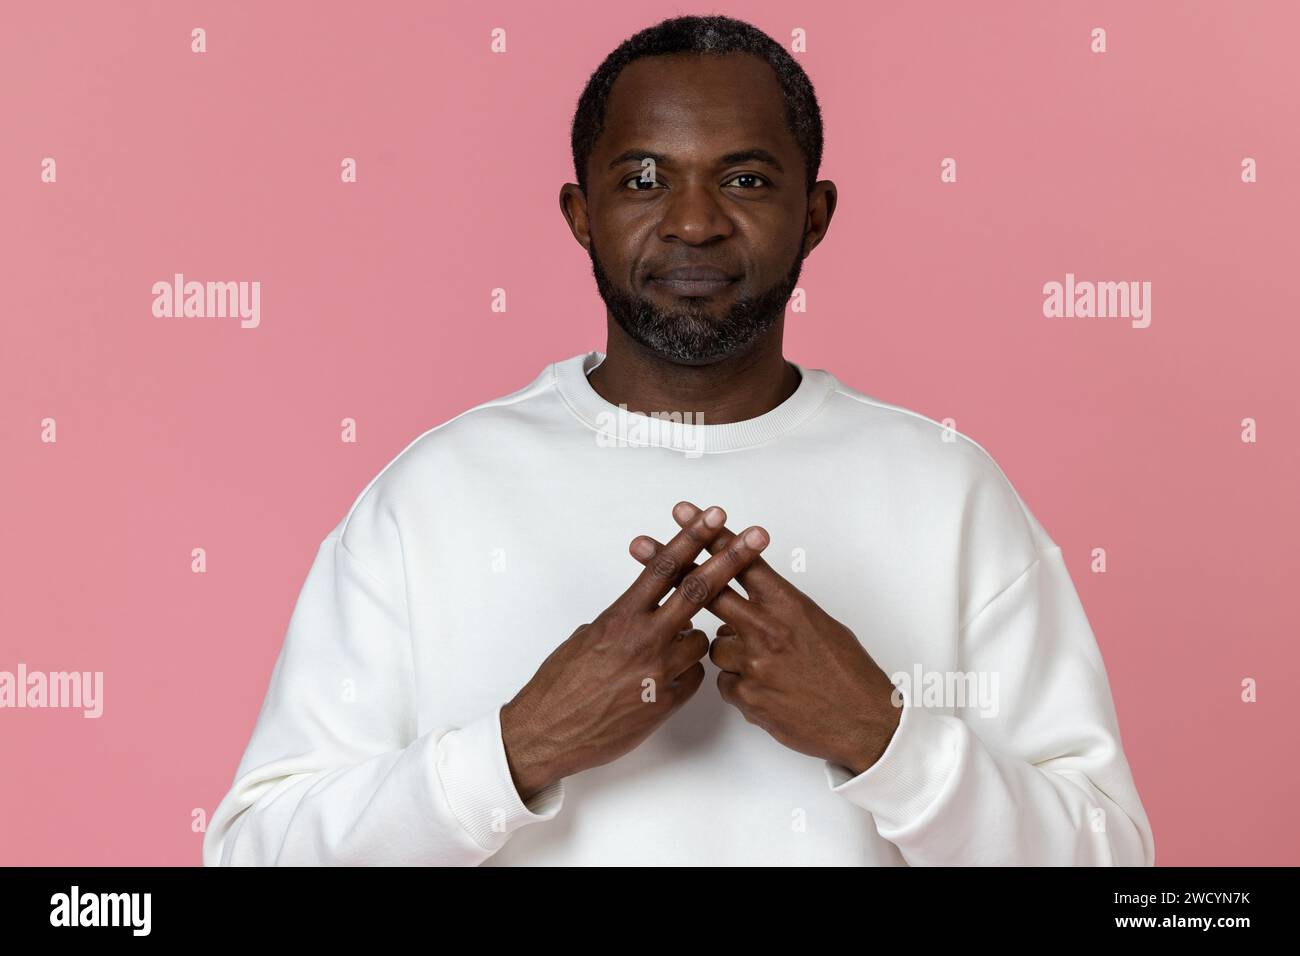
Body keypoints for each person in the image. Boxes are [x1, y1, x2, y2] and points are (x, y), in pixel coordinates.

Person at [203, 14, 1155, 866]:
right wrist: (519, 748)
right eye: (644, 179)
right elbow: (253, 856)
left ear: (814, 217)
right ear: (582, 215)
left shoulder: (951, 492)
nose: (694, 222)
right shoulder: (431, 495)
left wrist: (885, 738)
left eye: (744, 178)